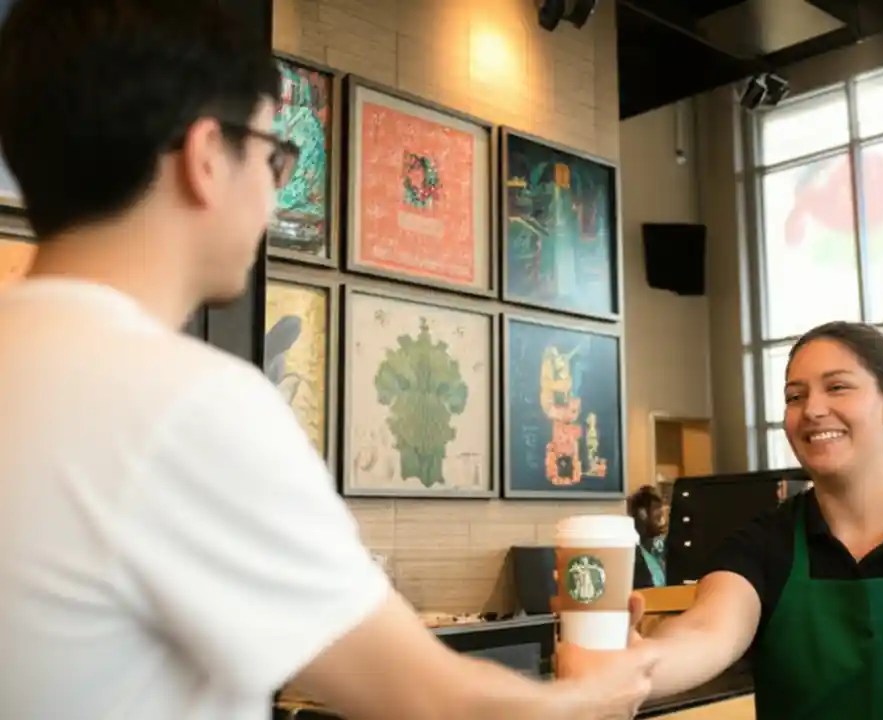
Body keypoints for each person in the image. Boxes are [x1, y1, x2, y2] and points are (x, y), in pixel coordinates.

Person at [0, 2, 654, 719]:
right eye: (275, 156)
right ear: (208, 157)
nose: (277, 195)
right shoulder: (184, 404)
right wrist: (601, 695)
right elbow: (430, 701)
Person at [561, 321, 883, 719]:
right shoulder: (762, 547)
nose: (812, 409)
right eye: (795, 395)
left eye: (837, 387)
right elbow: (707, 630)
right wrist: (636, 661)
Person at [628, 485, 669, 588]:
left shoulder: (657, 546)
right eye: (656, 509)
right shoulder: (633, 553)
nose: (661, 516)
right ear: (642, 513)